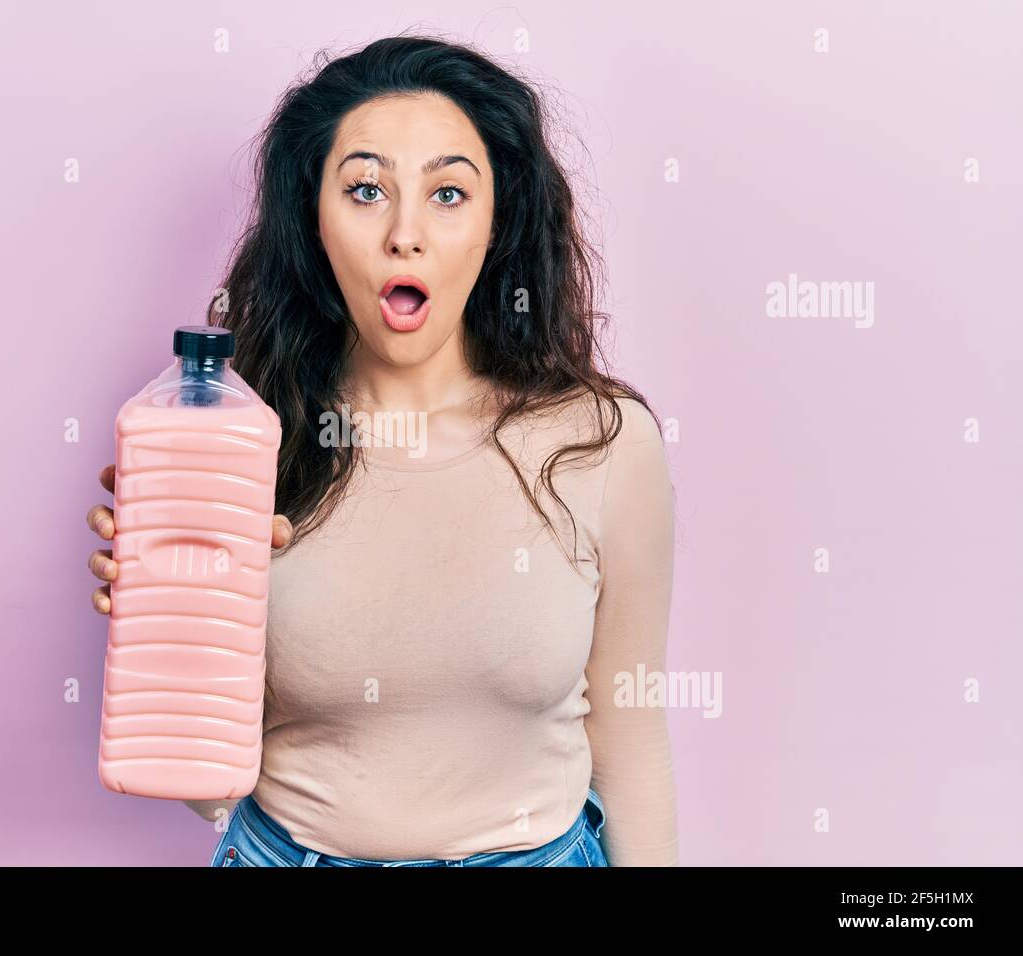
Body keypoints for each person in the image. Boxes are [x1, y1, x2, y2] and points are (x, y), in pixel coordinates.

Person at [86, 33, 679, 867]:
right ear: (314, 224)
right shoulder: (242, 447)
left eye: (448, 194)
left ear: (498, 224)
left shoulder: (600, 444)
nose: (406, 233)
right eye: (365, 190)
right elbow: (212, 792)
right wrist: (173, 617)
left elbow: (632, 744)